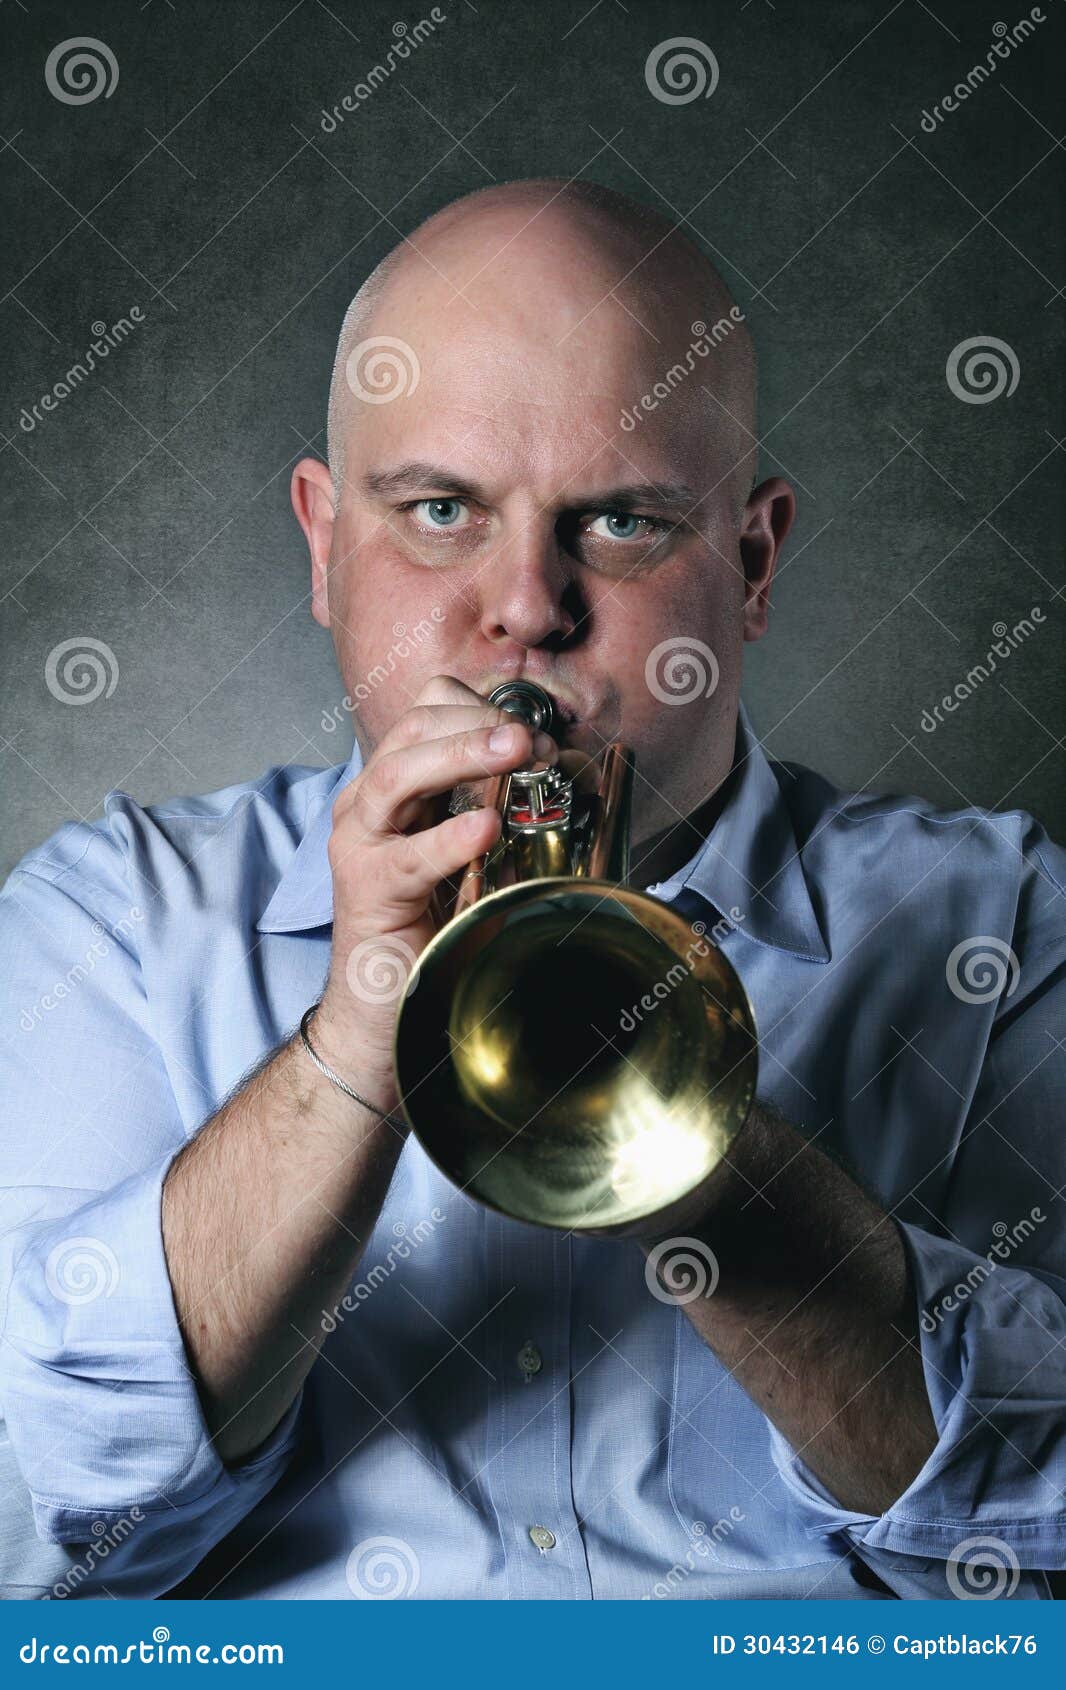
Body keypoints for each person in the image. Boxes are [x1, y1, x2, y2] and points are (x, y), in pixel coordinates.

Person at [1, 179, 1063, 1602]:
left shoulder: (997, 927)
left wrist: (661, 1105)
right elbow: (40, 1542)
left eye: (620, 524)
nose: (524, 606)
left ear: (750, 562)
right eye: (438, 509)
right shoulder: (113, 922)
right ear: (324, 546)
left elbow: (1041, 1548)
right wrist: (359, 1036)